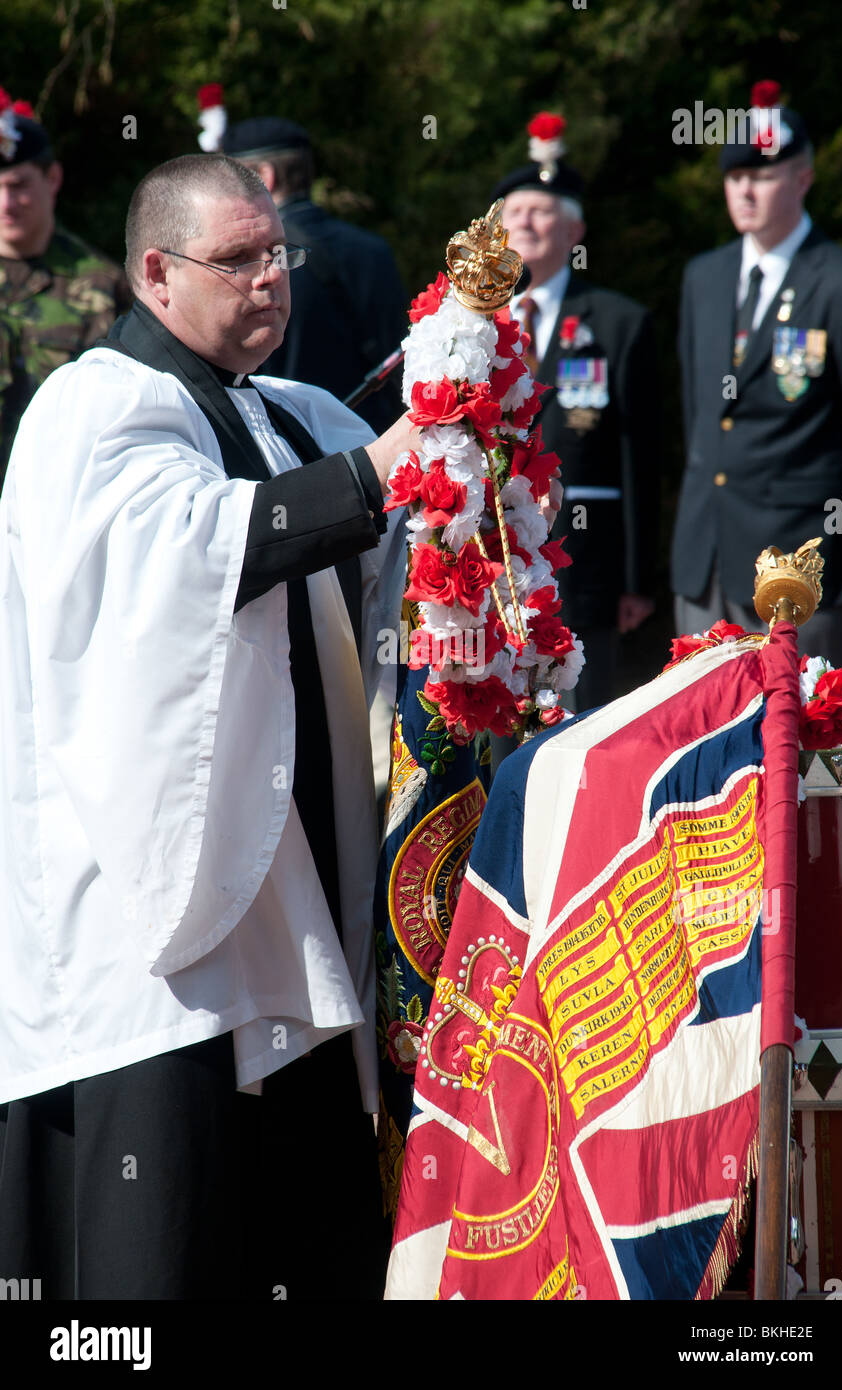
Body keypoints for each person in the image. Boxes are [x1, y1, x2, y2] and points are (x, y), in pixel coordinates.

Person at [0, 152, 416, 1300]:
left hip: (286, 890)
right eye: (237, 260)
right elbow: (189, 549)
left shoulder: (284, 409)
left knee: (289, 1226)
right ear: (154, 272)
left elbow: (387, 516)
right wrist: (381, 476)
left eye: (277, 254)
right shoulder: (96, 402)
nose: (270, 280)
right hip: (152, 926)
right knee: (164, 1245)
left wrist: (463, 420)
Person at [671, 80, 842, 665]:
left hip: (803, 562)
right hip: (705, 561)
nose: (745, 190)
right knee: (703, 743)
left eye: (762, 176)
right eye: (734, 177)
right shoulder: (704, 277)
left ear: (802, 178)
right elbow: (700, 417)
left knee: (803, 746)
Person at [495, 113, 660, 712]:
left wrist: (638, 578)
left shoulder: (619, 323)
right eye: (514, 212)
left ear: (574, 229)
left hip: (586, 561)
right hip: (492, 553)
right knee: (497, 714)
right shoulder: (473, 324)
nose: (526, 223)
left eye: (542, 211)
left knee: (582, 714)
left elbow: (640, 455)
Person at [222, 116, 406, 434]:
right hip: (376, 445)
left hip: (292, 449)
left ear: (262, 177)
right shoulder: (373, 250)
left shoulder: (247, 263)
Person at [0, 89, 130, 486]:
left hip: (60, 497)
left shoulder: (104, 284)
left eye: (19, 184)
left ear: (52, 178)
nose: (6, 203)